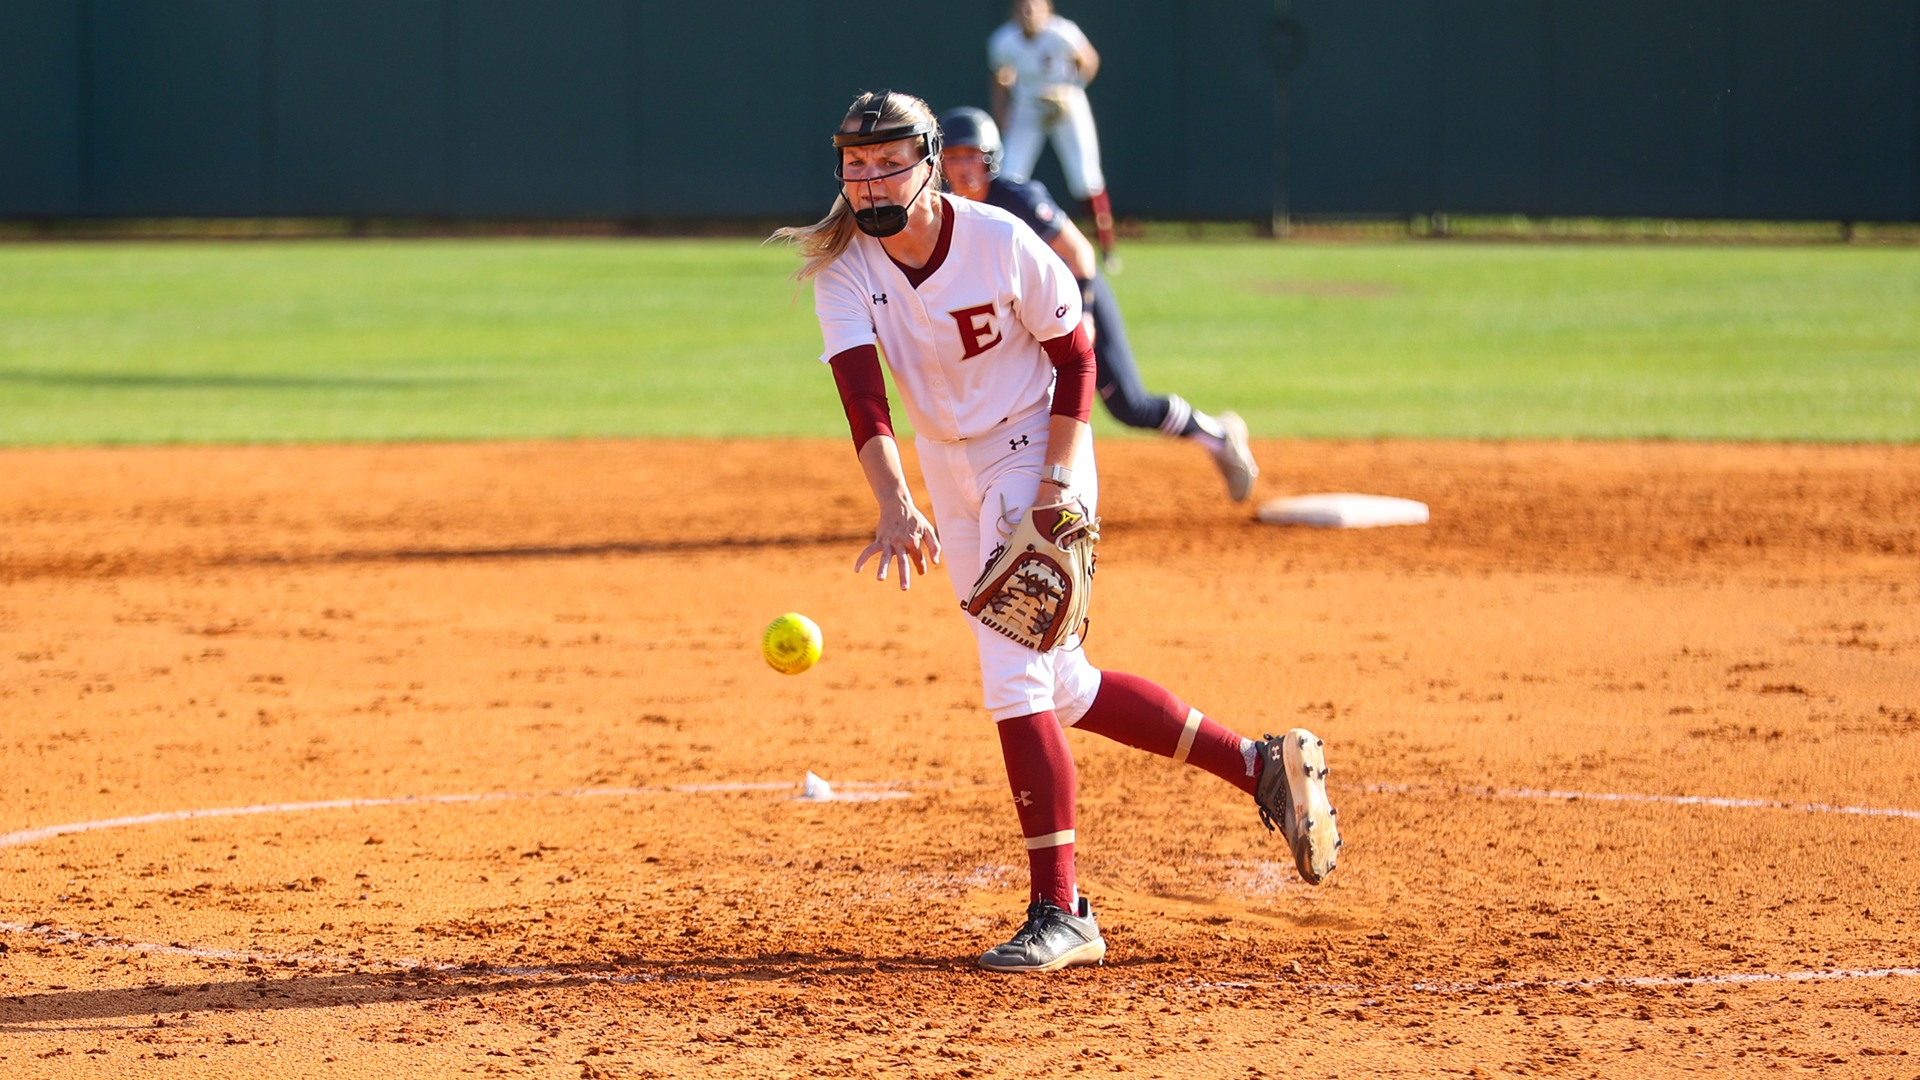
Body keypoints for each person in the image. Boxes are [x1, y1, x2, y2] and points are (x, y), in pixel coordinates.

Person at [772, 90, 1340, 974]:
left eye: (887, 162)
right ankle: (1258, 764)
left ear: (927, 163)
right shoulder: (846, 265)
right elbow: (862, 392)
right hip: (948, 470)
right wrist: (894, 498)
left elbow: (1077, 357)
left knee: (1013, 681)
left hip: (1035, 448)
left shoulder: (999, 240)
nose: (869, 179)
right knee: (1063, 683)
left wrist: (1057, 483)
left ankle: (1061, 908)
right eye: (854, 164)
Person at [939, 106, 1259, 503]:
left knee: (1129, 405)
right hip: (1022, 316)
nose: (962, 166)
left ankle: (1218, 437)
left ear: (990, 158)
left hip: (1073, 302)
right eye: (952, 156)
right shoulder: (944, 211)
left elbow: (1079, 252)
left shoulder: (1017, 198)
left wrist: (1085, 313)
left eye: (971, 154)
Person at [988, 0, 1119, 269]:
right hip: (1029, 107)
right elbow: (1000, 76)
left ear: (1047, 10)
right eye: (1022, 8)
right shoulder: (1004, 40)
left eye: (1033, 7)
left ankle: (1107, 249)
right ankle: (1000, 246)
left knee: (1085, 176)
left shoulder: (1062, 31)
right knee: (1009, 174)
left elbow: (1090, 60)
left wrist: (1070, 88)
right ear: (1013, 12)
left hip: (1066, 106)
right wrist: (1001, 111)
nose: (1028, 13)